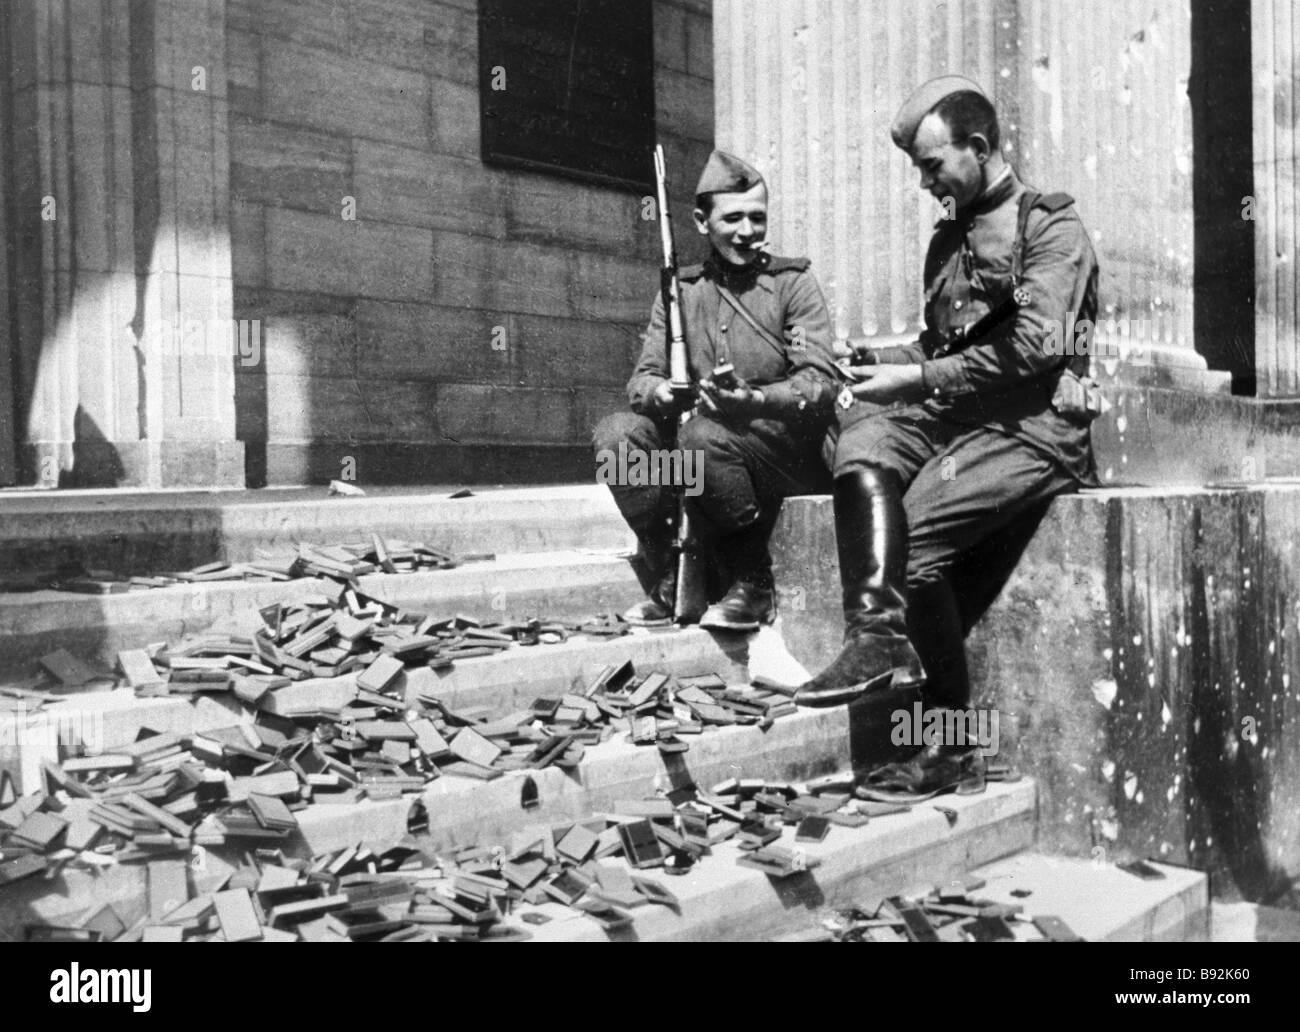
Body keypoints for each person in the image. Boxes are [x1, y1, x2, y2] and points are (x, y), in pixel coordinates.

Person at [793, 77, 1101, 795]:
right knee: (861, 438)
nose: (925, 182)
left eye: (933, 166)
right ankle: (873, 635)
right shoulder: (949, 238)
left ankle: (953, 747)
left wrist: (917, 381)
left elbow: (1035, 345)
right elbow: (940, 351)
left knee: (920, 539)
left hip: (1032, 430)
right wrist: (882, 365)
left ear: (981, 147)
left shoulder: (1047, 225)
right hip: (960, 418)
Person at [592, 150, 838, 631]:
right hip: (702, 455)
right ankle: (673, 566)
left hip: (778, 457)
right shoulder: (680, 293)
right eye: (734, 218)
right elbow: (641, 380)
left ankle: (753, 579)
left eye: (758, 217)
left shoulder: (792, 286)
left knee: (703, 438)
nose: (748, 230)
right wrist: (662, 393)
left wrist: (757, 399)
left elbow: (819, 383)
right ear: (702, 221)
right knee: (618, 440)